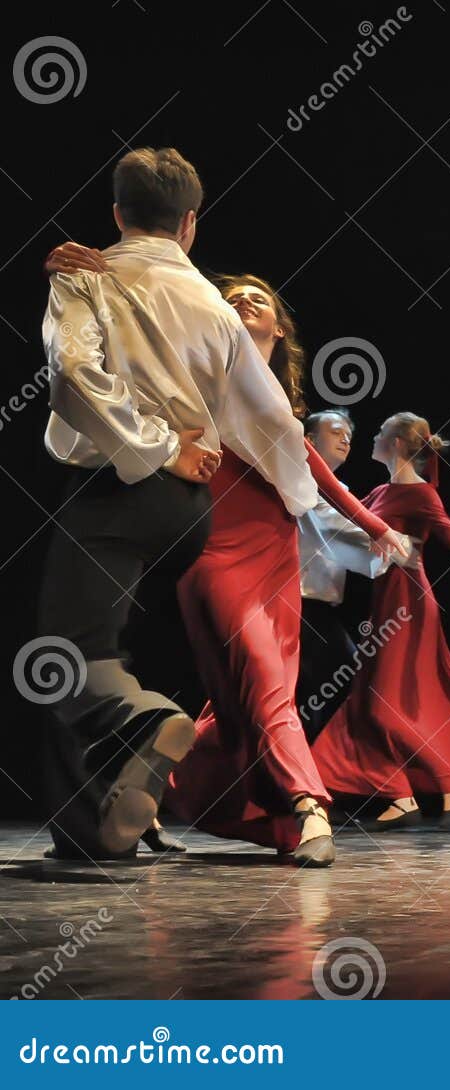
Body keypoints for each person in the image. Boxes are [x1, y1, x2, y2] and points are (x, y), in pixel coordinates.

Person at [35, 148, 305, 860]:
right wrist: (297, 495)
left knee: (64, 656)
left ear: (118, 213)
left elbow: (70, 375)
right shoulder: (214, 307)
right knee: (97, 645)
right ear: (190, 222)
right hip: (191, 511)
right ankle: (94, 831)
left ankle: (145, 718)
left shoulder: (83, 274)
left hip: (116, 492)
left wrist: (152, 446)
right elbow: (271, 416)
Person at [160, 274, 408, 867]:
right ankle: (308, 805)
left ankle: (151, 788)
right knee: (266, 681)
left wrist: (381, 529)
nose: (245, 301)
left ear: (278, 328)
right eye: (232, 297)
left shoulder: (281, 409)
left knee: (239, 701)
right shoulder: (193, 381)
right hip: (212, 552)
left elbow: (321, 479)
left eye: (259, 299)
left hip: (274, 556)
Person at [311, 413, 450, 829]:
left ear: (394, 444)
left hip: (408, 603)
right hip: (382, 604)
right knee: (365, 704)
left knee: (383, 708)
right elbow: (350, 519)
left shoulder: (420, 495)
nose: (370, 438)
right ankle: (400, 796)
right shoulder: (379, 490)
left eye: (378, 433)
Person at [296, 409, 396, 739]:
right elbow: (336, 529)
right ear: (309, 442)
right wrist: (394, 542)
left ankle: (303, 772)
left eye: (349, 436)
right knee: (343, 676)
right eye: (337, 431)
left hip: (317, 607)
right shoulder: (302, 481)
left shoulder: (339, 490)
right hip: (298, 604)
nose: (346, 439)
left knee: (316, 694)